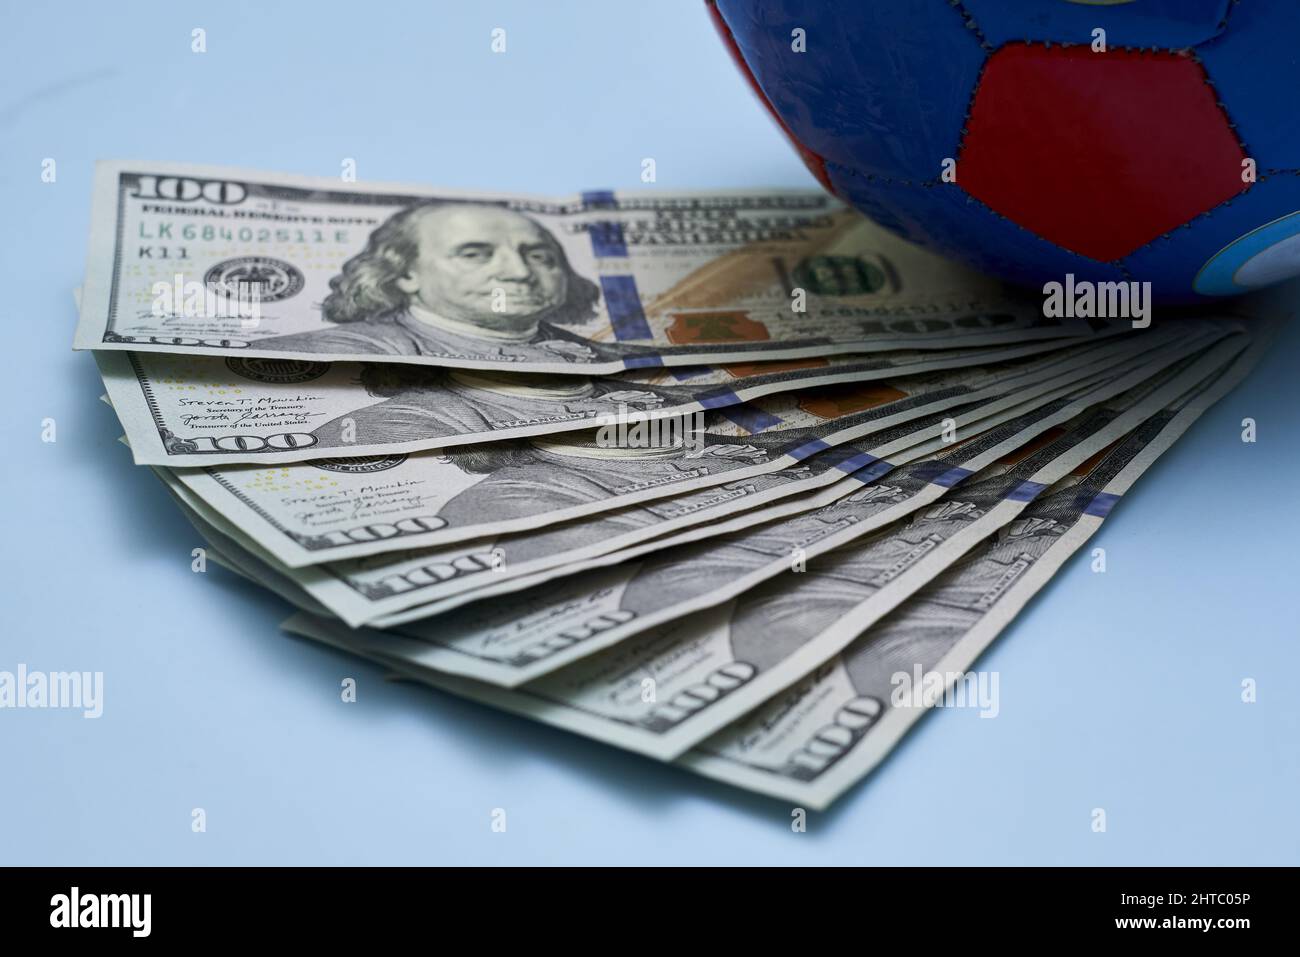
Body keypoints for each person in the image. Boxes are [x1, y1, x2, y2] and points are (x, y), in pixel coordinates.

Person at [254, 201, 604, 361]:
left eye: (540, 256)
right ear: (406, 273)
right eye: (474, 254)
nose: (520, 272)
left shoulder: (618, 358)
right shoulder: (331, 355)